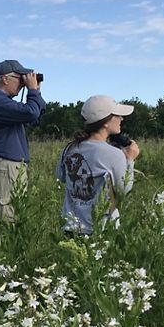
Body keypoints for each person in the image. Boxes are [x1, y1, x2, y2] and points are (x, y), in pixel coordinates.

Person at [56, 95, 140, 236]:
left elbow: (61, 177)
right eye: (117, 115)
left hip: (70, 227)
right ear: (106, 122)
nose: (121, 119)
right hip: (100, 229)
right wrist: (130, 160)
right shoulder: (114, 154)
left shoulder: (69, 148)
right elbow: (123, 191)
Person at [0, 59, 45, 222]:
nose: (22, 84)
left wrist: (36, 91)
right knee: (6, 222)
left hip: (10, 168)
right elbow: (30, 113)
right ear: (5, 79)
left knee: (14, 220)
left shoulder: (5, 104)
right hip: (5, 168)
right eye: (20, 79)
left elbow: (35, 117)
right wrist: (32, 92)